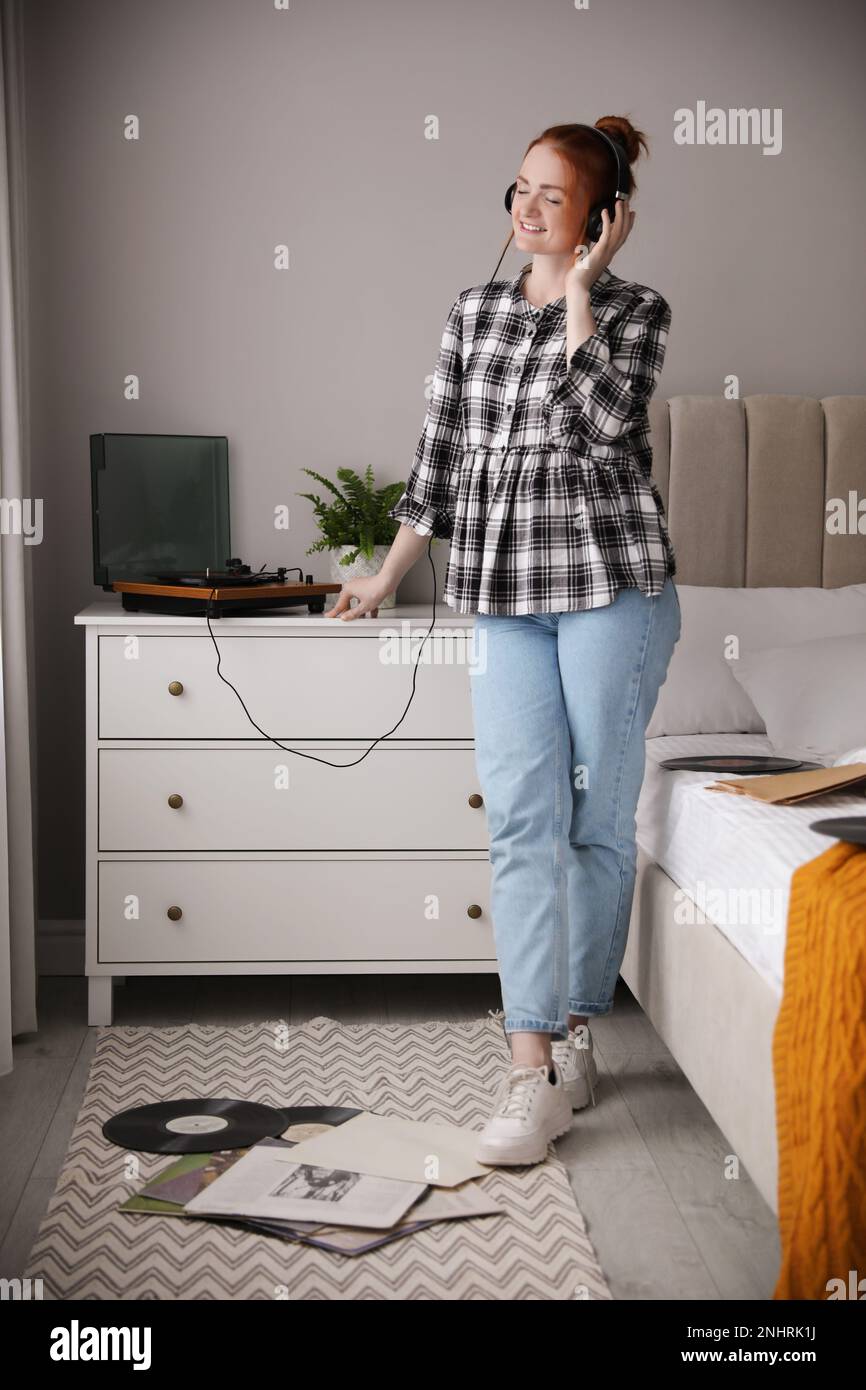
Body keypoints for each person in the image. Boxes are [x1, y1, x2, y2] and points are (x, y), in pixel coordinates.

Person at [326, 118, 681, 1167]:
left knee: (592, 823)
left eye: (553, 198)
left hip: (611, 593)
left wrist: (579, 291)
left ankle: (574, 1032)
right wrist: (386, 572)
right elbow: (436, 458)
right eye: (517, 190)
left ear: (604, 217)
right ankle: (528, 1072)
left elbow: (596, 426)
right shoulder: (471, 314)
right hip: (501, 594)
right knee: (520, 817)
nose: (525, 211)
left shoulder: (634, 312)